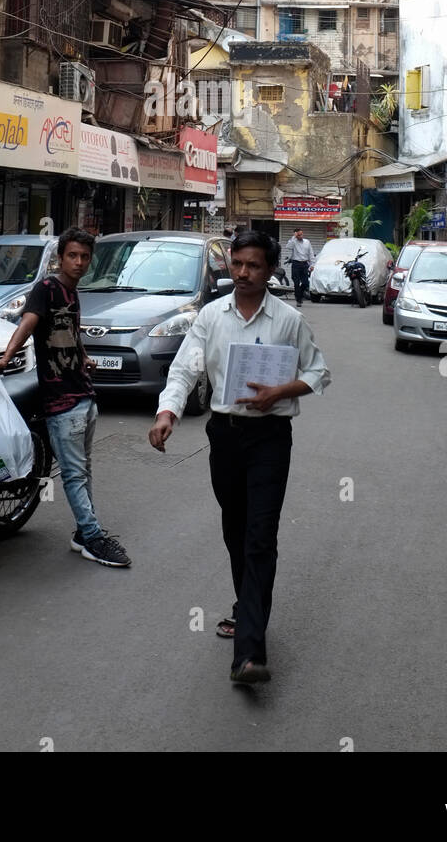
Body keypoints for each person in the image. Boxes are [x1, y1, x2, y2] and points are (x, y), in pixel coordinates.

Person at [148, 230, 330, 684]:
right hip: (225, 437)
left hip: (270, 438)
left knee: (260, 537)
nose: (244, 273)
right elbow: (185, 368)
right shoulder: (211, 316)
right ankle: (246, 607)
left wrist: (280, 391)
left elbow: (318, 372)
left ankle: (249, 653)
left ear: (270, 271)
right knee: (235, 531)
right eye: (237, 264)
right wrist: (168, 412)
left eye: (253, 265)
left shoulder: (289, 320)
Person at [0, 226, 130, 568]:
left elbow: (71, 331)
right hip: (60, 401)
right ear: (60, 258)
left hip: (84, 394)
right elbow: (28, 324)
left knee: (83, 470)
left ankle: (85, 532)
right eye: (72, 256)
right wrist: (6, 357)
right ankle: (93, 537)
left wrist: (84, 356)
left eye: (84, 257)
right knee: (73, 473)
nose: (79, 262)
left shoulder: (72, 292)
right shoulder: (46, 288)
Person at [283, 228, 316, 307]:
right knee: (296, 283)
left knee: (305, 283)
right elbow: (288, 247)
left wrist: (312, 265)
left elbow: (311, 253)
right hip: (296, 264)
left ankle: (299, 295)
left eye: (301, 234)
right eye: (298, 235)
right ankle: (298, 300)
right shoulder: (293, 242)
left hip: (304, 264)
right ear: (296, 235)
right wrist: (293, 237)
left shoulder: (307, 242)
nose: (301, 236)